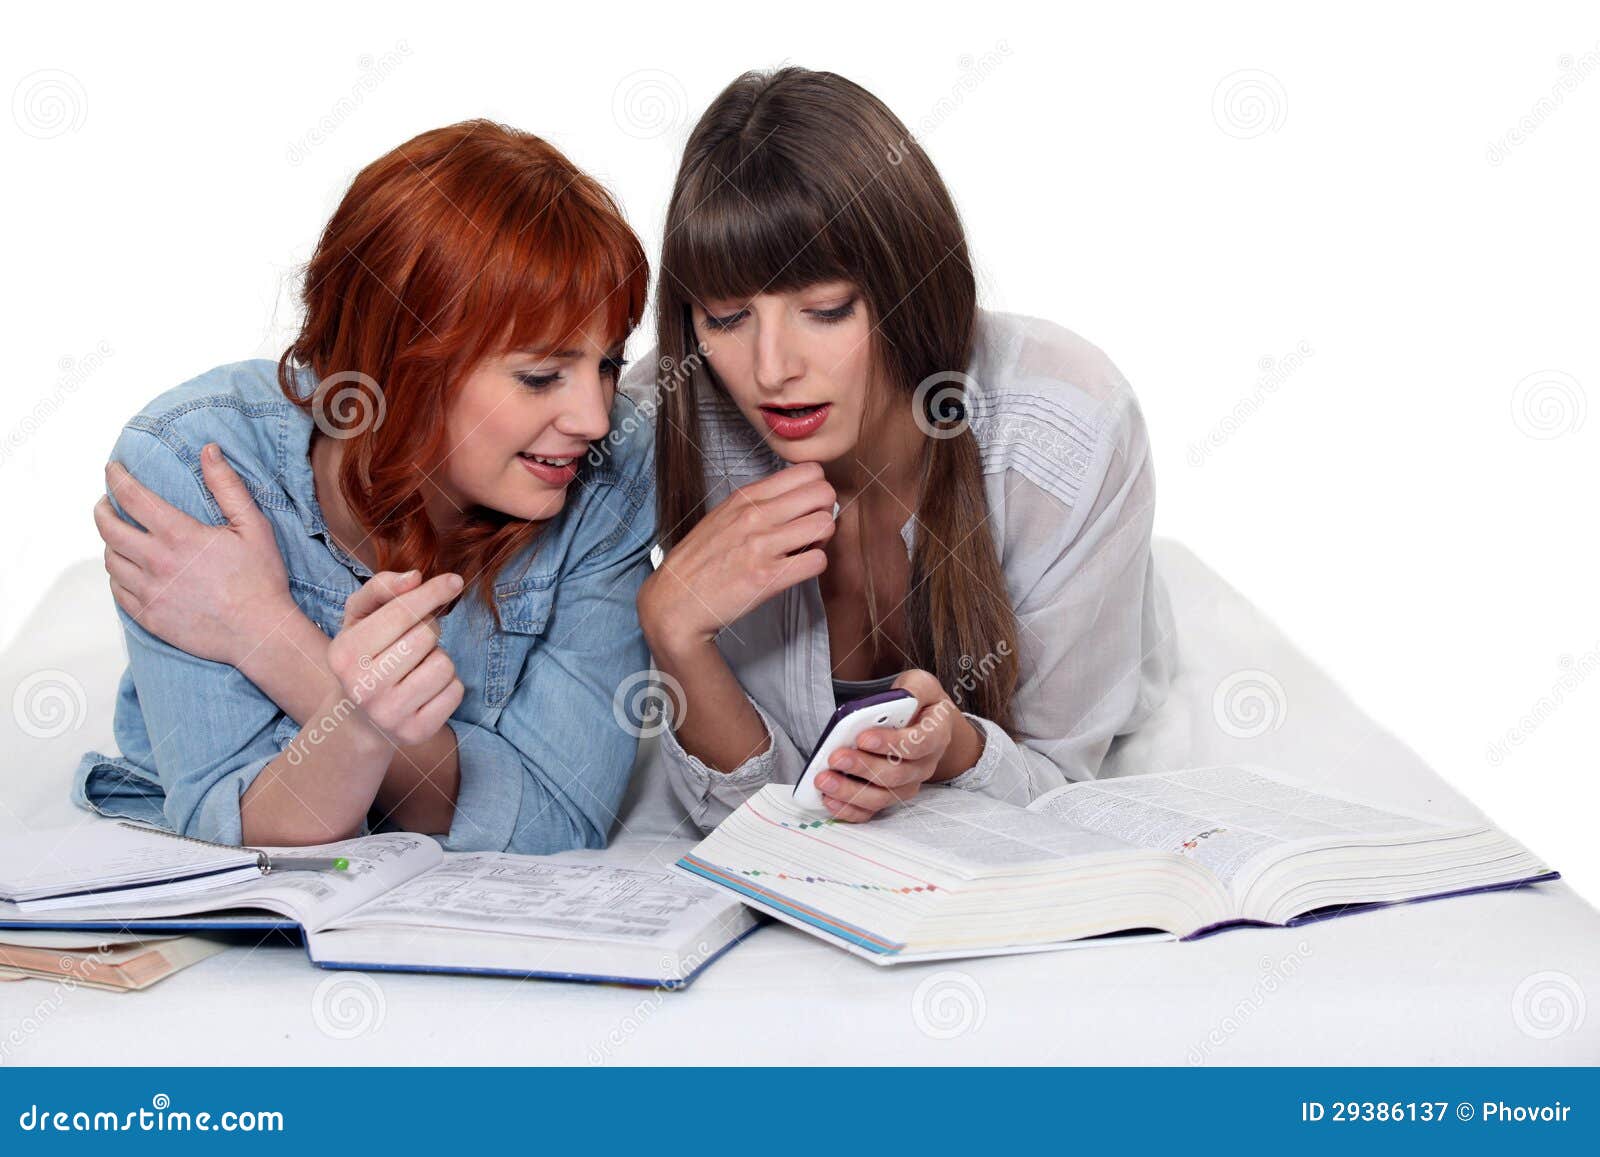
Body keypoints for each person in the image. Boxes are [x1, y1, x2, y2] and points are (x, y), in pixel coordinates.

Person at [79, 120, 656, 852]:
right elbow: (234, 823)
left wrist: (266, 632)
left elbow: (555, 818)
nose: (594, 416)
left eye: (608, 363)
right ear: (401, 364)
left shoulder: (612, 473)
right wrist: (361, 719)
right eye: (541, 375)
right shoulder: (189, 463)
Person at [630, 68, 1178, 829]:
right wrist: (673, 630)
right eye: (726, 319)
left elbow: (1062, 783)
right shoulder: (660, 412)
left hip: (1127, 702)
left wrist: (955, 749)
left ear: (911, 285)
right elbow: (765, 825)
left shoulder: (1068, 426)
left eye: (825, 310)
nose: (770, 369)